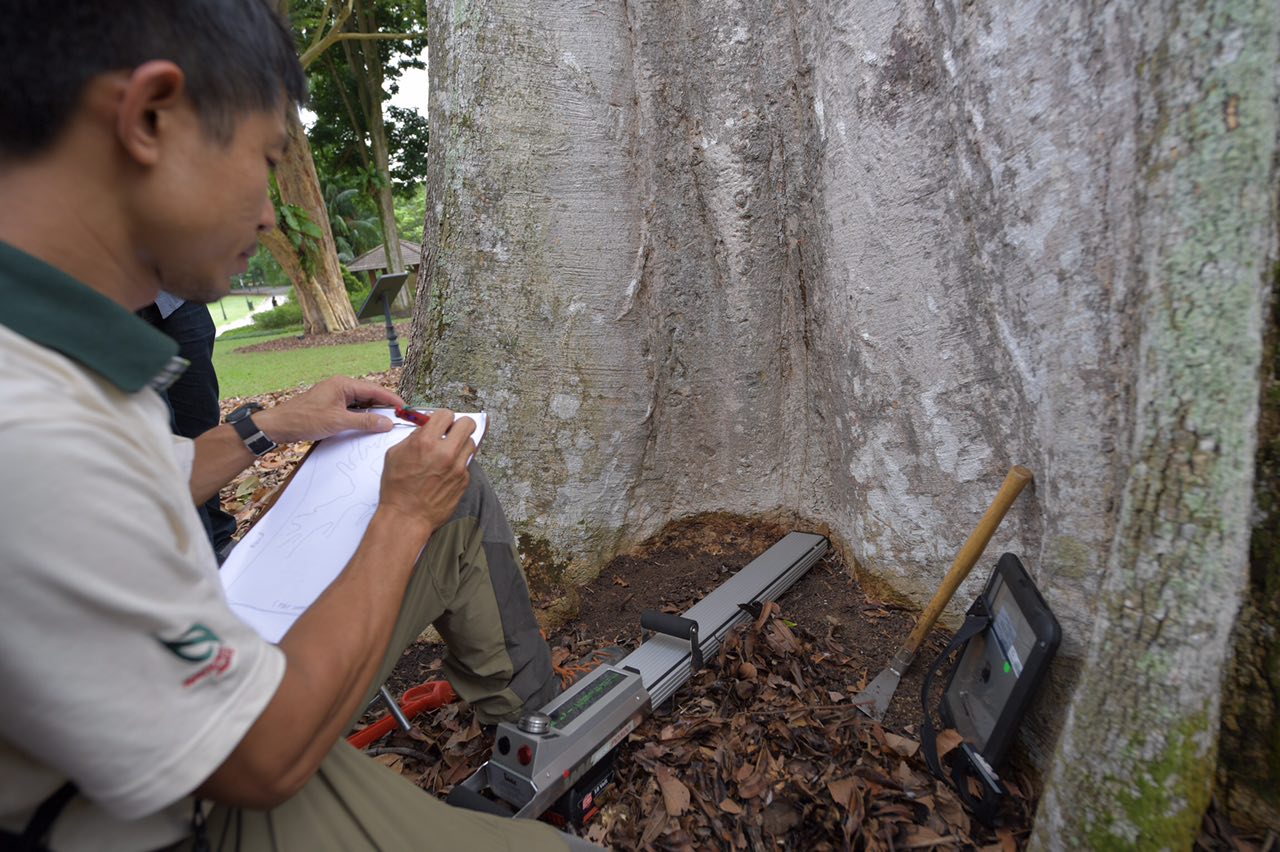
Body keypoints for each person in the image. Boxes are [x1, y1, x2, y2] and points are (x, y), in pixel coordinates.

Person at [0, 2, 600, 850]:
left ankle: (542, 746)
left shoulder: (48, 352)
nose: (270, 214)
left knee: (459, 507)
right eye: (268, 157)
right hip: (185, 804)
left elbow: (126, 486)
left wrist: (270, 424)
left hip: (163, 723)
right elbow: (260, 759)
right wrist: (398, 517)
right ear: (150, 118)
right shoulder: (32, 429)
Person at [138, 292, 239, 561]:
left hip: (175, 298)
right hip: (120, 305)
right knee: (162, 435)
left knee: (201, 420)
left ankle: (218, 538)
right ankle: (200, 557)